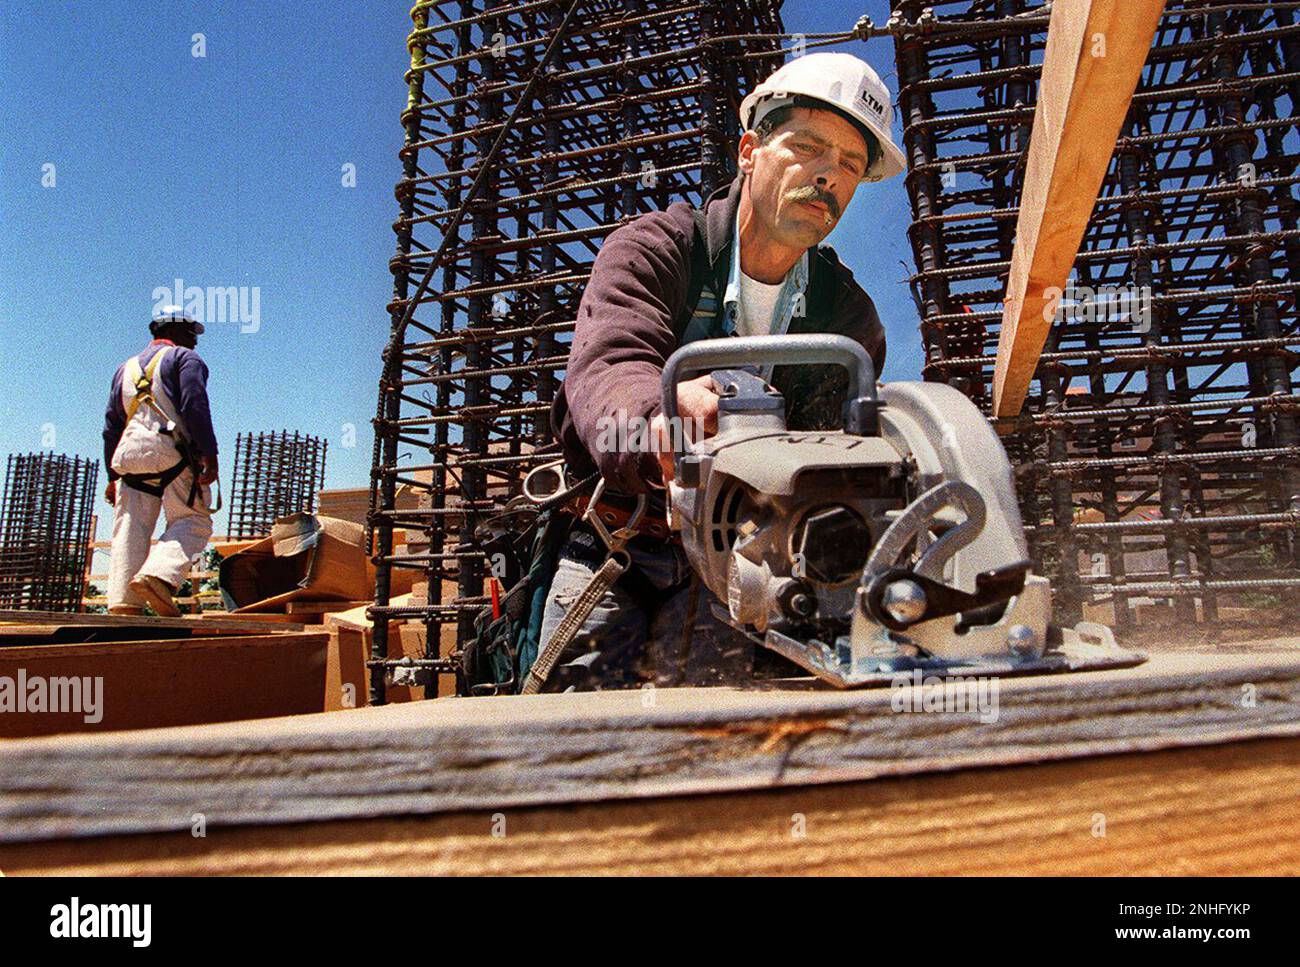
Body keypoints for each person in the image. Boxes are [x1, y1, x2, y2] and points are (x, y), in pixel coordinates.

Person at [535, 51, 907, 691]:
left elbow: (840, 457)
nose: (828, 177)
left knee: (720, 751)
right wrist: (658, 418)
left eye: (849, 166)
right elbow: (609, 364)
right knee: (573, 755)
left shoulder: (848, 320)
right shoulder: (658, 250)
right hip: (619, 544)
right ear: (749, 151)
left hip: (743, 564)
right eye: (808, 148)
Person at [102, 306, 219, 617]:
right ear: (177, 332)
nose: (195, 342)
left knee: (130, 527)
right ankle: (158, 576)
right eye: (192, 334)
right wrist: (210, 453)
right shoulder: (185, 359)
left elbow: (111, 425)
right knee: (194, 520)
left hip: (127, 458)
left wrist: (111, 476)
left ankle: (124, 604)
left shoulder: (123, 369)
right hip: (169, 452)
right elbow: (194, 405)